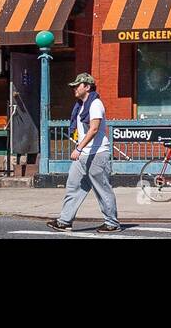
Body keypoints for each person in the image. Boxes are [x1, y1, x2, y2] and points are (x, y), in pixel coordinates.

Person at [47, 74, 121, 233]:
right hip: (83, 156)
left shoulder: (95, 104)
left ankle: (112, 223)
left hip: (97, 154)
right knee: (73, 187)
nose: (74, 88)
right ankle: (65, 221)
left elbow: (94, 129)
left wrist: (79, 148)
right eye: (73, 86)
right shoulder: (81, 105)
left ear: (87, 87)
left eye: (77, 86)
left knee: (102, 189)